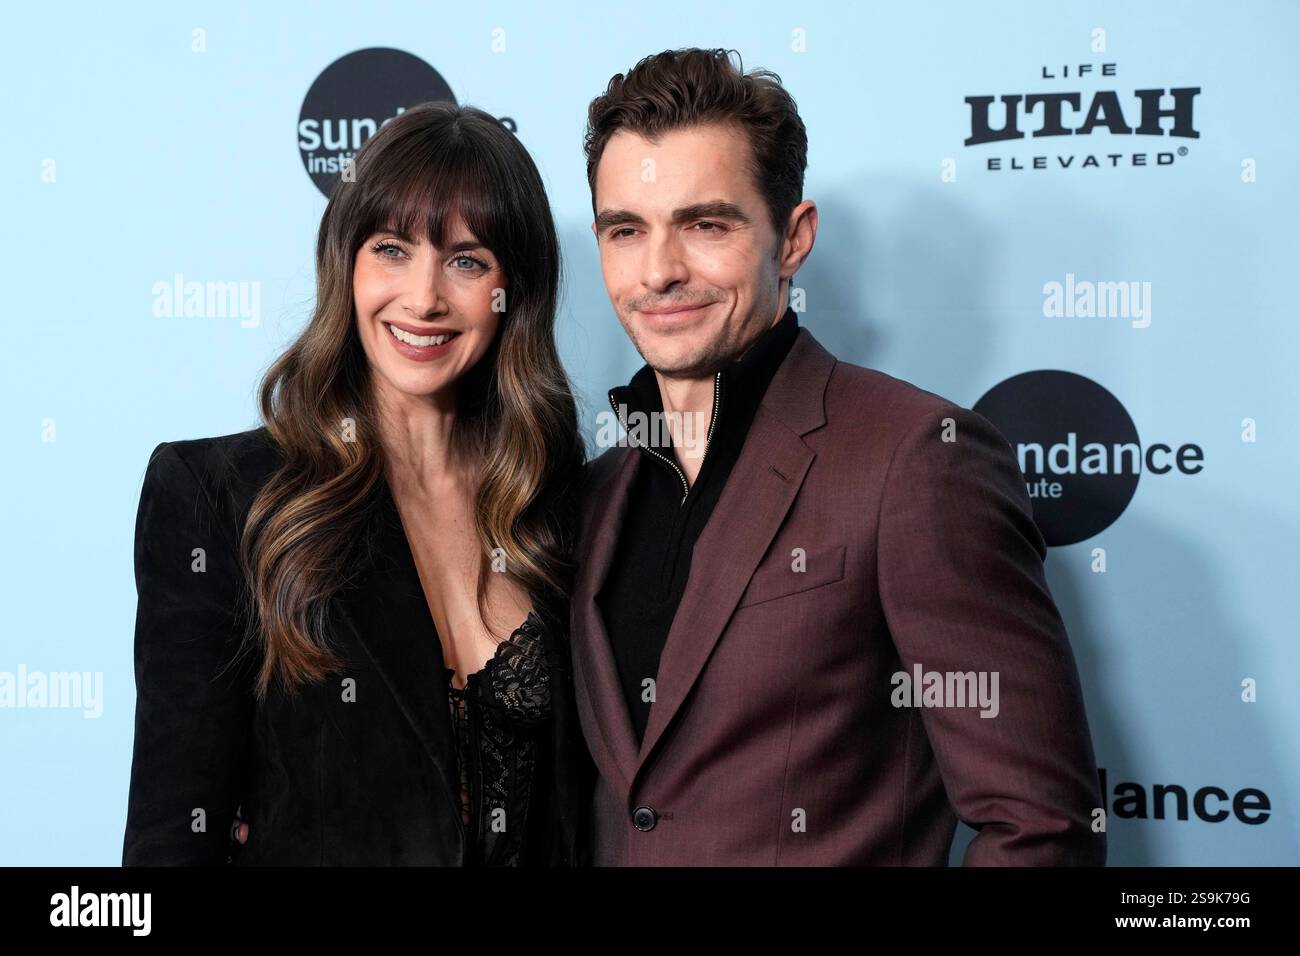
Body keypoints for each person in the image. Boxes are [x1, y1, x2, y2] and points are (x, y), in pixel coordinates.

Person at [573, 48, 1107, 865]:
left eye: (705, 225)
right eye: (626, 231)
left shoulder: (917, 462)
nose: (659, 272)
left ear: (792, 239)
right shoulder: (595, 493)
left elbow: (1040, 827)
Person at [122, 102, 594, 866]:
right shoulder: (222, 497)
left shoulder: (561, 501)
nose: (424, 298)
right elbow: (174, 836)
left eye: (467, 260)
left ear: (516, 291)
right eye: (392, 249)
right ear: (345, 262)